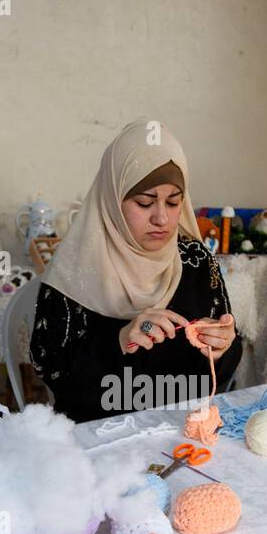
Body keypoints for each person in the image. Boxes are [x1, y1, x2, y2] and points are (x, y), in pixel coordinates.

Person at [29, 118, 241, 423]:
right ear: (113, 200)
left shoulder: (196, 261)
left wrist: (221, 348)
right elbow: (53, 372)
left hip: (180, 429)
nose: (162, 219)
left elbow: (223, 367)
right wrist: (119, 341)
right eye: (144, 202)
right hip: (99, 438)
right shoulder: (76, 269)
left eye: (173, 202)